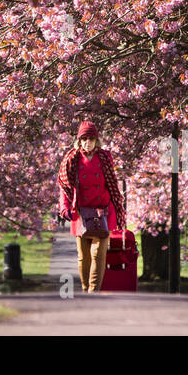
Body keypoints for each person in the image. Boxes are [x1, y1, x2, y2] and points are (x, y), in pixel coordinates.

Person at [57, 120, 125, 293]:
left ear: (97, 140)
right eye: (85, 138)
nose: (88, 142)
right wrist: (65, 208)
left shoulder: (104, 157)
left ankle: (93, 292)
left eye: (92, 138)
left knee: (98, 254)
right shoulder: (71, 159)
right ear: (79, 140)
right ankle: (86, 288)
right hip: (80, 213)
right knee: (84, 257)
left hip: (103, 212)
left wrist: (117, 207)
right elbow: (65, 186)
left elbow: (112, 183)